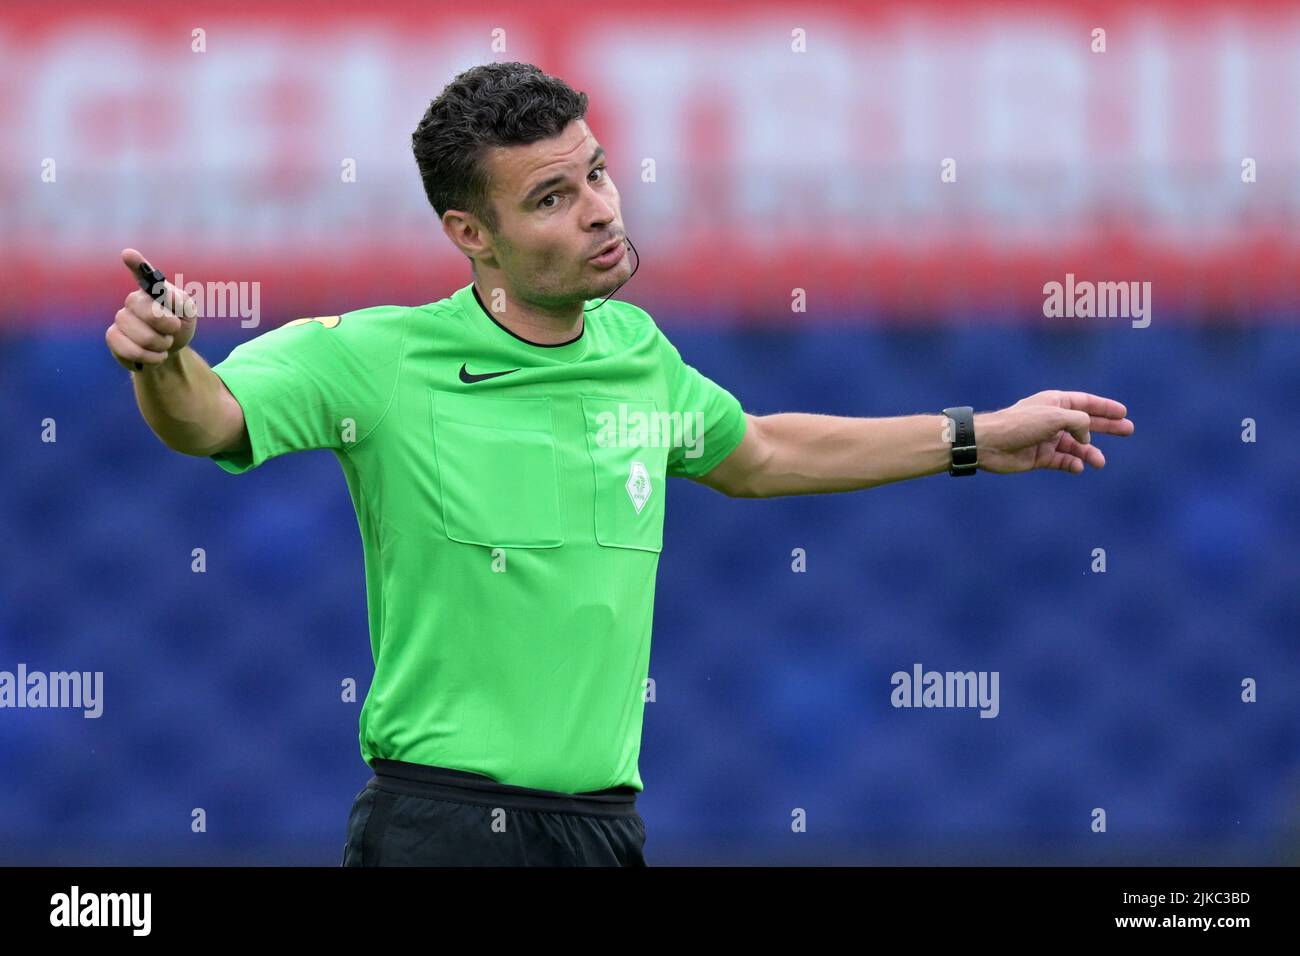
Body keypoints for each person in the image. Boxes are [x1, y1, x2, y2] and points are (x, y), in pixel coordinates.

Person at [105, 61, 1135, 867]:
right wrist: (164, 358)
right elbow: (208, 418)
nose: (600, 207)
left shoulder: (638, 355)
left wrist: (972, 435)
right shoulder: (374, 359)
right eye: (552, 197)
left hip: (603, 829)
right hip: (445, 829)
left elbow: (759, 451)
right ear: (474, 234)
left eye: (595, 170)